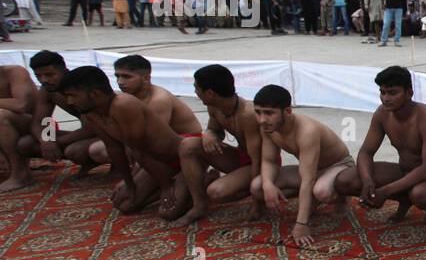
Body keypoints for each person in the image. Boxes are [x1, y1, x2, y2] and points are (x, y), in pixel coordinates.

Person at [53, 66, 183, 214]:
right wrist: (129, 183)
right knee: (124, 204)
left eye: (72, 96)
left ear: (95, 94)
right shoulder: (87, 110)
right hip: (148, 160)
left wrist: (165, 186)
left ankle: (191, 181)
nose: (69, 101)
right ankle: (169, 187)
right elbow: (114, 148)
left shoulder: (123, 104)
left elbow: (139, 149)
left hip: (174, 158)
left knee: (169, 213)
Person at [335, 66, 426, 226]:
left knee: (422, 194)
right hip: (403, 170)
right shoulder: (382, 113)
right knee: (345, 180)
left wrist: (385, 192)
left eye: (392, 93)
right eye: (382, 92)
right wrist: (367, 182)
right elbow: (366, 152)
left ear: (409, 93)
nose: (385, 98)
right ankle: (405, 200)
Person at [250, 85, 355, 248]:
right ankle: (309, 200)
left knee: (322, 191)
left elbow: (308, 179)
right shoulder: (268, 127)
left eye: (269, 113)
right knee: (258, 187)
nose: (262, 119)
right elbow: (269, 161)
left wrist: (301, 225)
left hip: (338, 166)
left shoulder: (307, 131)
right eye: (258, 112)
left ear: (287, 111)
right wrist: (268, 184)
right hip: (309, 168)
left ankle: (341, 196)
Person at [165, 64, 264, 226]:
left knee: (216, 192)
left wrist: (257, 203)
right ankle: (199, 205)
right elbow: (214, 129)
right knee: (188, 145)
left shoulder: (247, 114)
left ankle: (250, 188)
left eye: (196, 89)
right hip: (239, 158)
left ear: (210, 93)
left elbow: (257, 159)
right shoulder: (214, 106)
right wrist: (209, 134)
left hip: (259, 164)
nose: (195, 93)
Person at [16, 51, 98, 177]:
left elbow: (90, 129)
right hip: (84, 133)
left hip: (106, 133)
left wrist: (55, 142)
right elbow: (38, 122)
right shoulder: (47, 90)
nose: (44, 80)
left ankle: (109, 162)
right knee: (26, 143)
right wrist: (45, 141)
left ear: (64, 71)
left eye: (49, 75)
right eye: (38, 76)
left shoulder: (81, 86)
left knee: (74, 151)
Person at [0, 63, 39, 191]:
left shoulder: (15, 72)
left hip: (40, 126)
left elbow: (21, 105)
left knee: (1, 116)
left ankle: (21, 174)